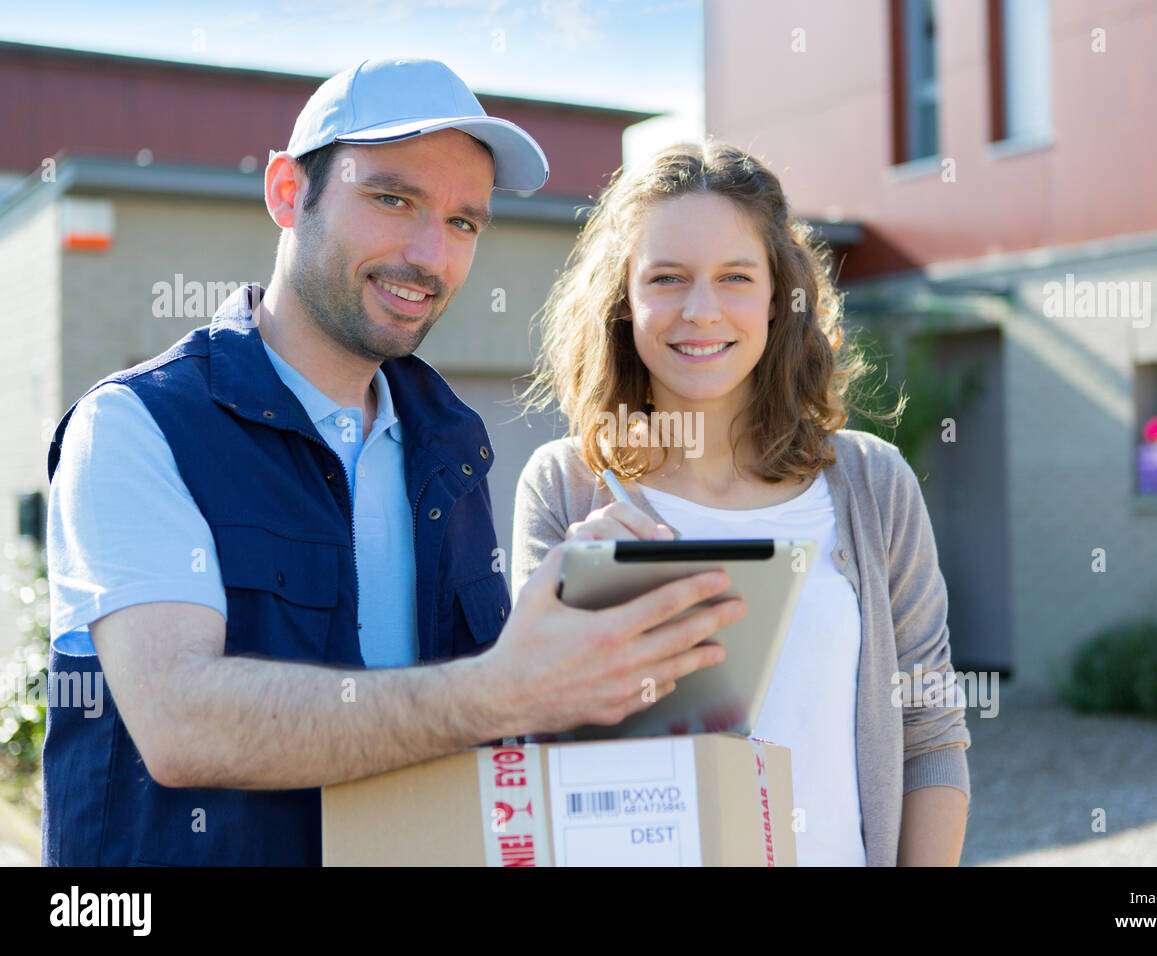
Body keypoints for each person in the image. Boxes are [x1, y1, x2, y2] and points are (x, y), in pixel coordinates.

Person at [42, 58, 743, 866]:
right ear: (287, 193)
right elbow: (180, 722)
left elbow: (462, 722)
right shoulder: (138, 426)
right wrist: (504, 688)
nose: (430, 255)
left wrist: (587, 637)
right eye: (392, 199)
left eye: (464, 222)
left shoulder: (450, 446)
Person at [512, 140, 972, 866]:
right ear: (623, 301)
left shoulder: (872, 484)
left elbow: (931, 734)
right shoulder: (566, 487)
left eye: (735, 277)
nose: (702, 311)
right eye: (667, 278)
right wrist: (576, 602)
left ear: (777, 296)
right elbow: (535, 738)